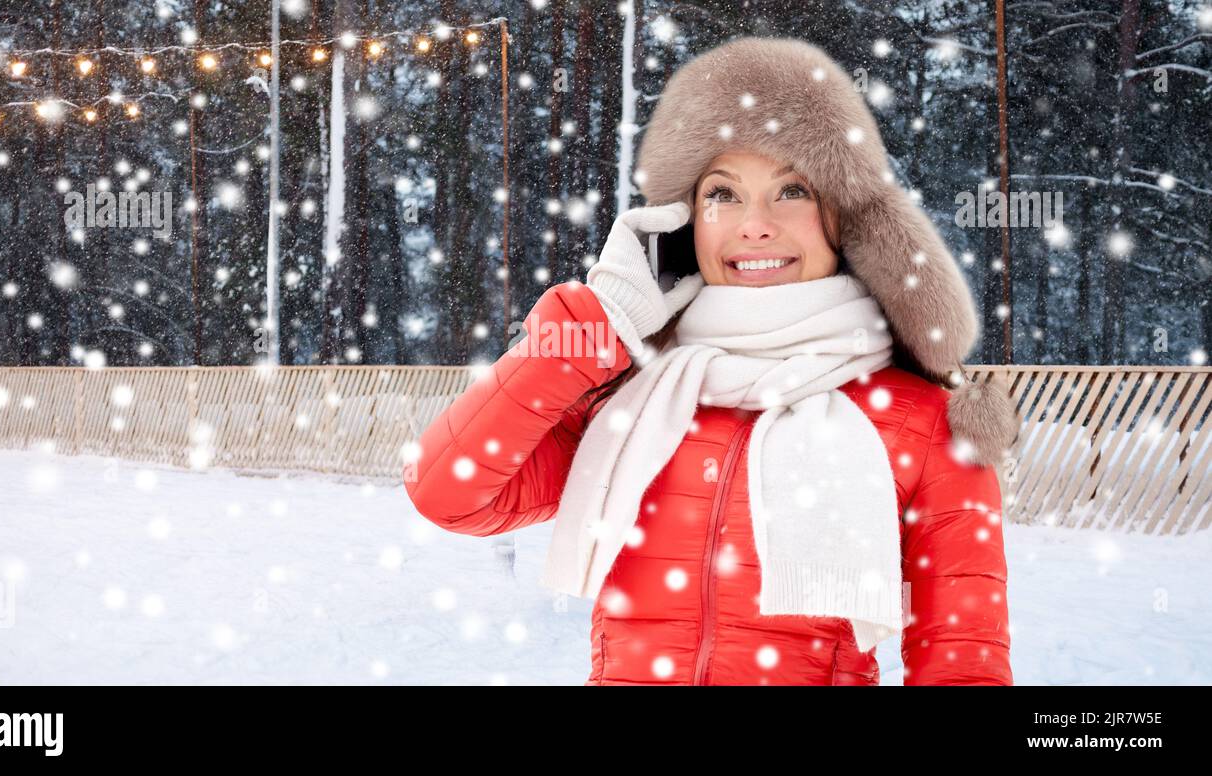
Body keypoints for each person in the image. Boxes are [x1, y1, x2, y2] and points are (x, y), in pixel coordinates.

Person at [403, 36, 1019, 685]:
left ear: (846, 221)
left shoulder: (930, 424)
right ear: (682, 224)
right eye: (722, 194)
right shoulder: (628, 400)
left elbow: (964, 662)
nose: (753, 225)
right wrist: (595, 321)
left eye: (792, 192)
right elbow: (450, 494)